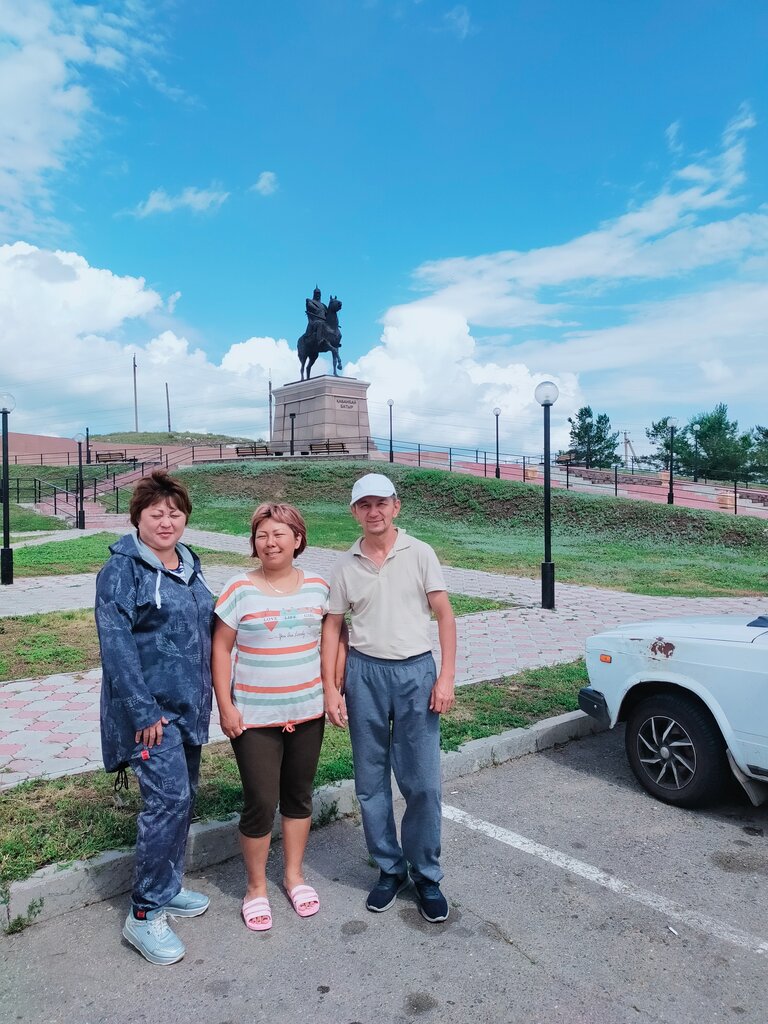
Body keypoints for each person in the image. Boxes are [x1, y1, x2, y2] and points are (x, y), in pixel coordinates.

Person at [321, 473, 457, 923]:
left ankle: (426, 874)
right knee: (370, 781)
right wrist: (331, 688)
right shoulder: (345, 565)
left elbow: (444, 615)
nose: (373, 512)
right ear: (354, 512)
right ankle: (388, 867)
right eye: (364, 505)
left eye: (381, 503)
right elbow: (333, 627)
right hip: (365, 674)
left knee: (423, 782)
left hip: (416, 672)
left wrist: (446, 677)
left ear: (396, 506)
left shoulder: (420, 553)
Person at [95, 469, 214, 966]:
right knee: (167, 804)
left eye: (175, 512)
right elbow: (116, 644)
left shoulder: (189, 562)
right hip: (149, 715)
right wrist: (144, 711)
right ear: (137, 517)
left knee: (182, 800)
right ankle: (144, 914)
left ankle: (167, 888)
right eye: (156, 513)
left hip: (188, 708)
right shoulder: (123, 569)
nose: (166, 521)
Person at [212, 502, 343, 931]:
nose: (270, 542)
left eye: (279, 534)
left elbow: (331, 641)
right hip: (254, 718)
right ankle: (255, 887)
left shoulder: (319, 587)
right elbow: (221, 649)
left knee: (299, 796)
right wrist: (226, 705)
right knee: (260, 802)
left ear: (298, 539)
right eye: (262, 535)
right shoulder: (239, 589)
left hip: (306, 712)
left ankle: (293, 876)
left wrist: (331, 690)